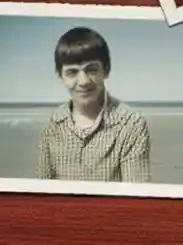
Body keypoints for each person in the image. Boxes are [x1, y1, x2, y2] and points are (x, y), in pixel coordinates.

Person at [37, 27, 151, 182]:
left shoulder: (131, 125)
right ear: (60, 76)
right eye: (72, 72)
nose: (83, 81)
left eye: (91, 70)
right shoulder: (54, 124)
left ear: (106, 70)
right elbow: (44, 191)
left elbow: (136, 198)